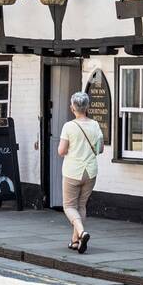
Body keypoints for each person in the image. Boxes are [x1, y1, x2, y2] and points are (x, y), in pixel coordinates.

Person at [58, 91, 104, 253]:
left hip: (73, 171)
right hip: (90, 171)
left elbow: (61, 151)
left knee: (69, 206)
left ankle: (82, 232)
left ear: (72, 108)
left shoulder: (69, 126)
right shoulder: (95, 125)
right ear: (88, 107)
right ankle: (75, 241)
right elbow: (100, 149)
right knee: (81, 205)